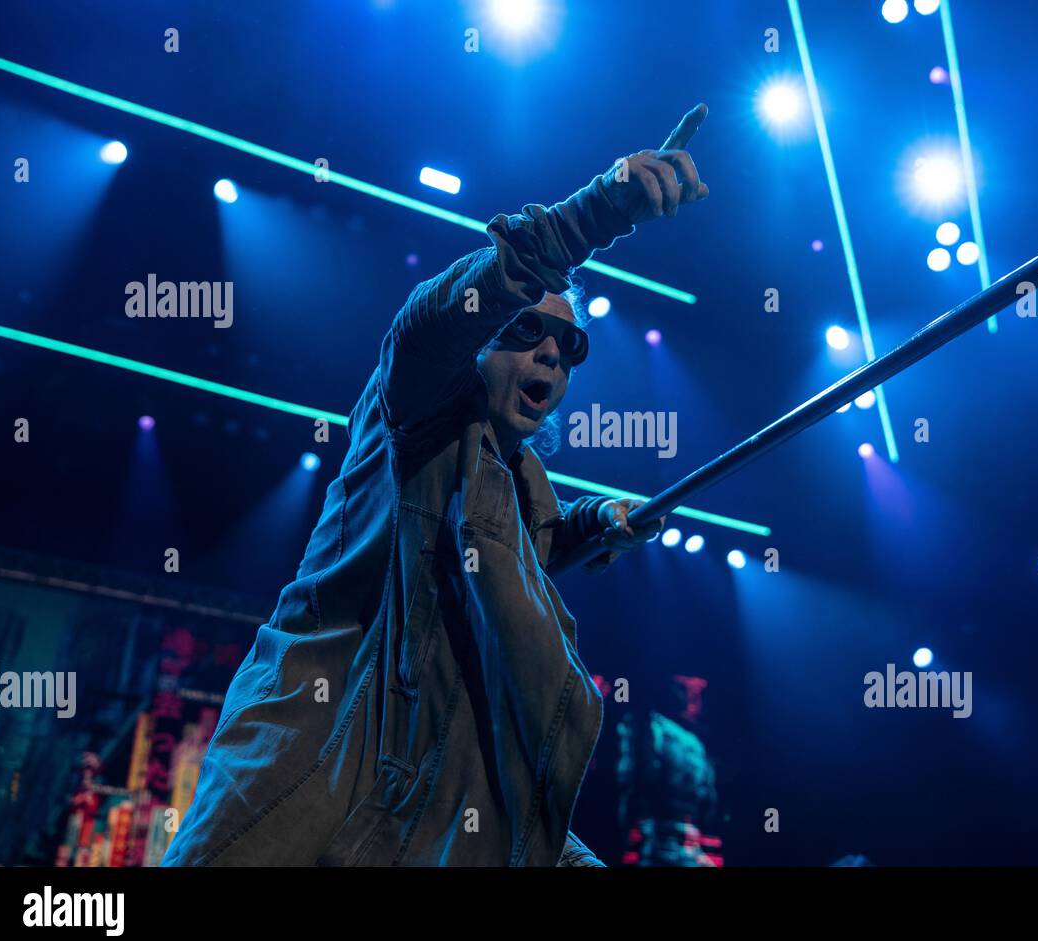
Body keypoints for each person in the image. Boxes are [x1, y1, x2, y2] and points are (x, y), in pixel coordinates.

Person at [162, 105, 711, 867]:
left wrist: (597, 522)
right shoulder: (414, 410)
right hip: (326, 750)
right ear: (477, 345)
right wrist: (599, 212)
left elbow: (534, 547)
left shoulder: (521, 482)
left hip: (444, 782)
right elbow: (430, 327)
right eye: (524, 329)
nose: (550, 355)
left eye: (569, 345)